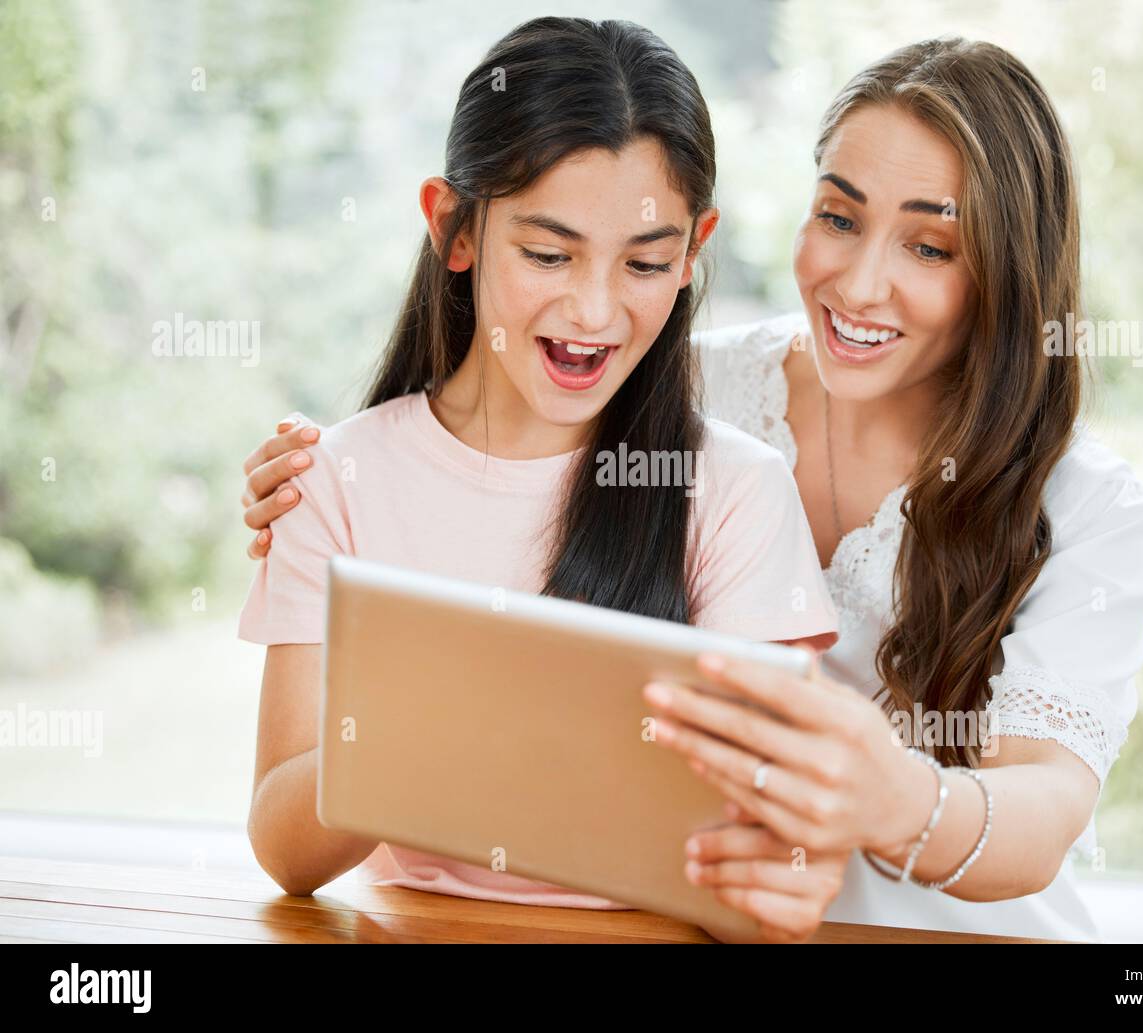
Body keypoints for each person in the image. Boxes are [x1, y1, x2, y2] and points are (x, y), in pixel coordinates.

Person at [242, 37, 1143, 942]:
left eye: (930, 247)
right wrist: (318, 486)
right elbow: (498, 417)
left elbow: (1044, 802)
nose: (860, 281)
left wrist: (897, 798)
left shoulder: (1088, 509)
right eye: (839, 218)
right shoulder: (656, 376)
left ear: (1006, 273)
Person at [237, 16, 845, 945]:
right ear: (455, 228)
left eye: (645, 262)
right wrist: (436, 729)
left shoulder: (735, 492)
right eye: (549, 254)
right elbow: (286, 848)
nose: (595, 310)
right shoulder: (337, 477)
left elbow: (780, 868)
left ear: (693, 252)